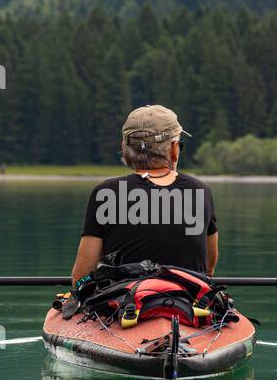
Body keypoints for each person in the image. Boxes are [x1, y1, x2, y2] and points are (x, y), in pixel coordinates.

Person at [70, 105, 218, 286]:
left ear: (124, 148)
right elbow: (208, 269)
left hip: (127, 305)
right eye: (180, 144)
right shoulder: (200, 190)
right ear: (173, 149)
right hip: (188, 303)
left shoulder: (106, 193)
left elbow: (82, 277)